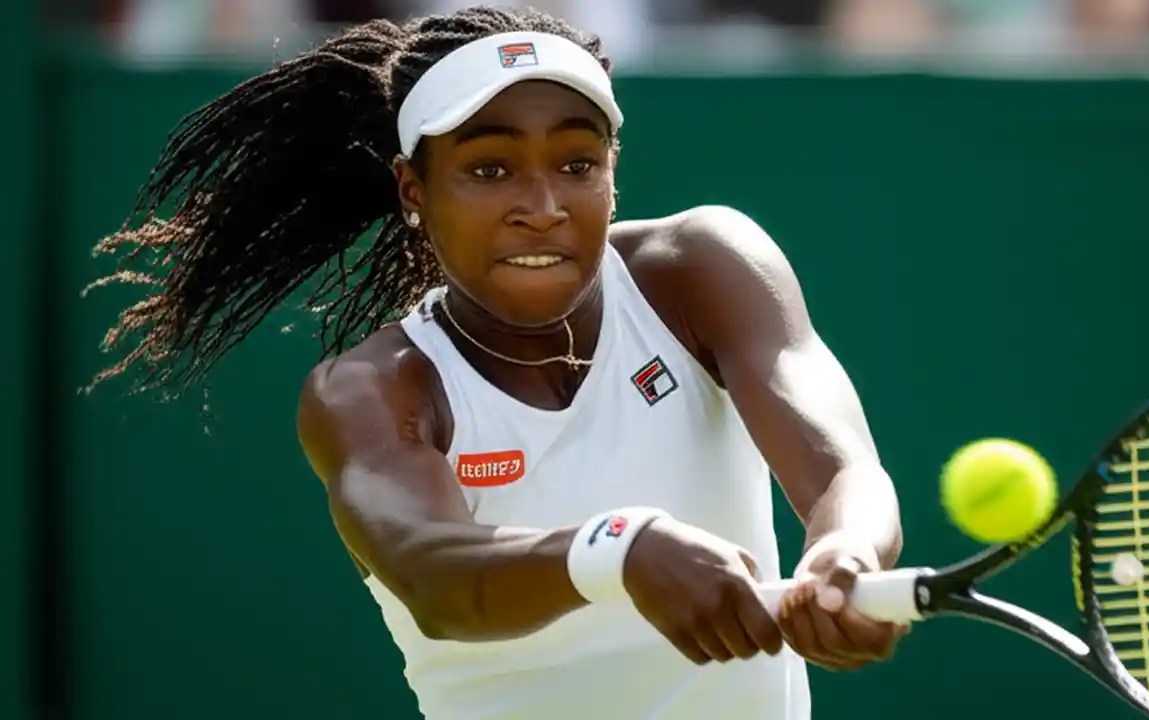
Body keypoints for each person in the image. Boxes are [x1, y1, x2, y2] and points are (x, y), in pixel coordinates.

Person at [87, 5, 907, 719]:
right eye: (489, 169)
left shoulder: (702, 269)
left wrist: (847, 555)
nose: (543, 208)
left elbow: (847, 476)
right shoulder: (370, 392)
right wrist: (618, 547)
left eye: (578, 165)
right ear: (413, 190)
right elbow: (438, 579)